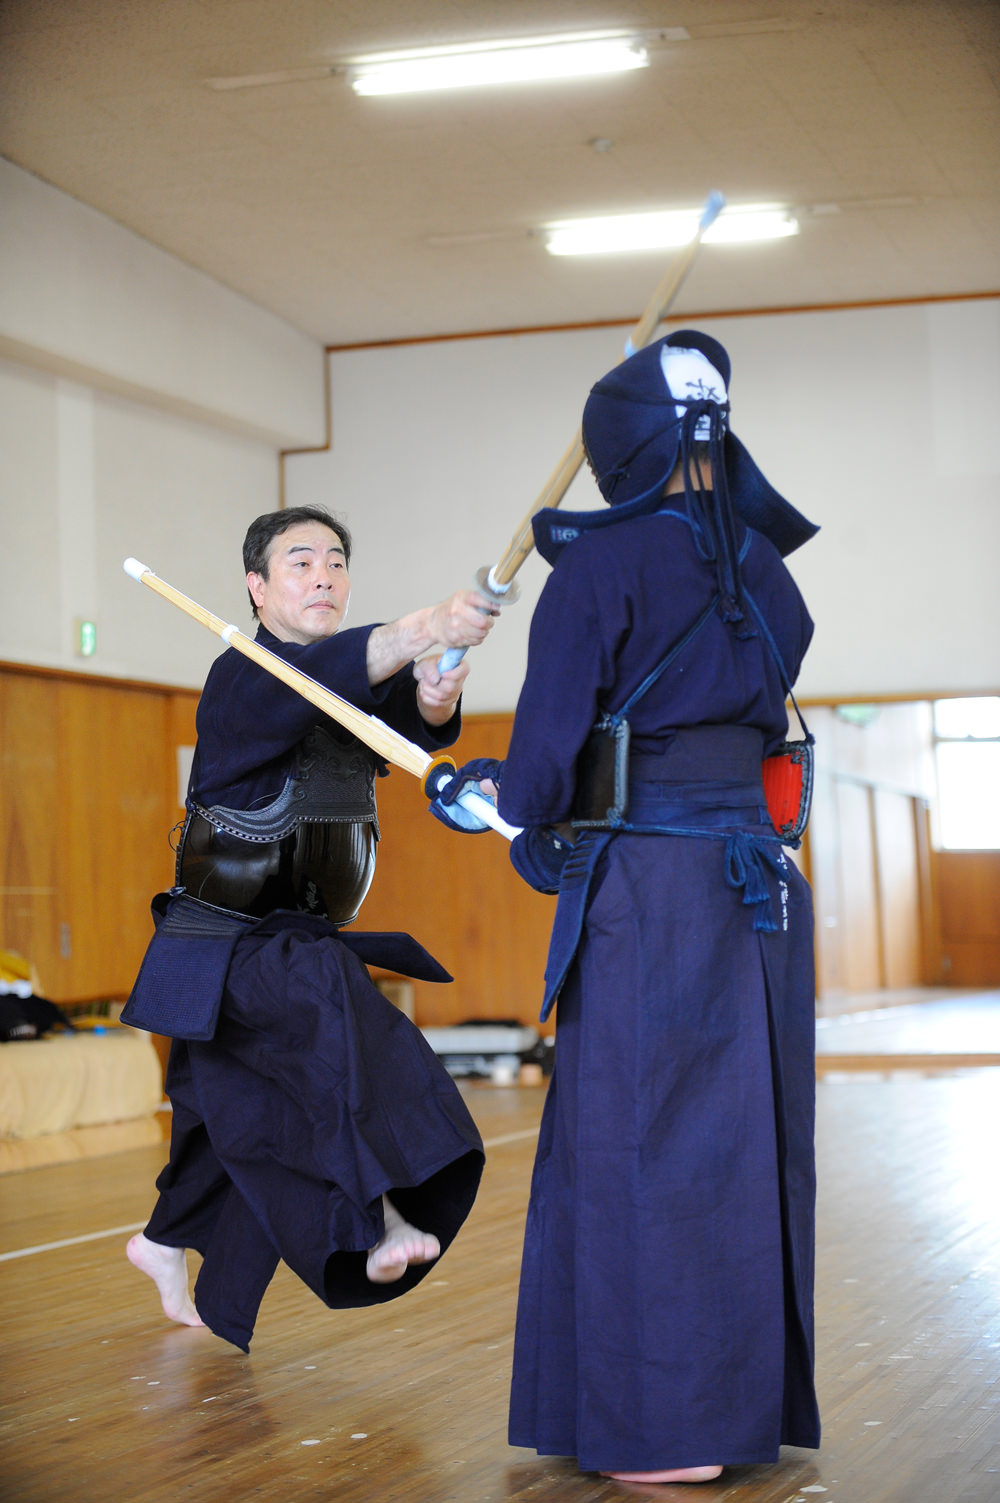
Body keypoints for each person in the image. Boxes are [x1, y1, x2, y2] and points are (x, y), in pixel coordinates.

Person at [434, 331, 821, 1483]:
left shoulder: (599, 572)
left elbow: (545, 769)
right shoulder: (763, 568)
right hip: (754, 891)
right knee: (738, 1148)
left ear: (622, 449)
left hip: (651, 896)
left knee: (640, 1147)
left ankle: (666, 1431)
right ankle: (719, 1413)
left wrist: (483, 798)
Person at [124, 505, 496, 1352]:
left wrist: (437, 695)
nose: (323, 574)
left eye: (335, 561)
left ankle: (161, 1239)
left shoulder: (338, 686)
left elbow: (407, 720)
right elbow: (344, 666)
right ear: (257, 588)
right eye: (300, 562)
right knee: (331, 1015)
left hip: (294, 929)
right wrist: (422, 626)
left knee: (229, 1111)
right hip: (227, 937)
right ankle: (382, 1216)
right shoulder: (244, 677)